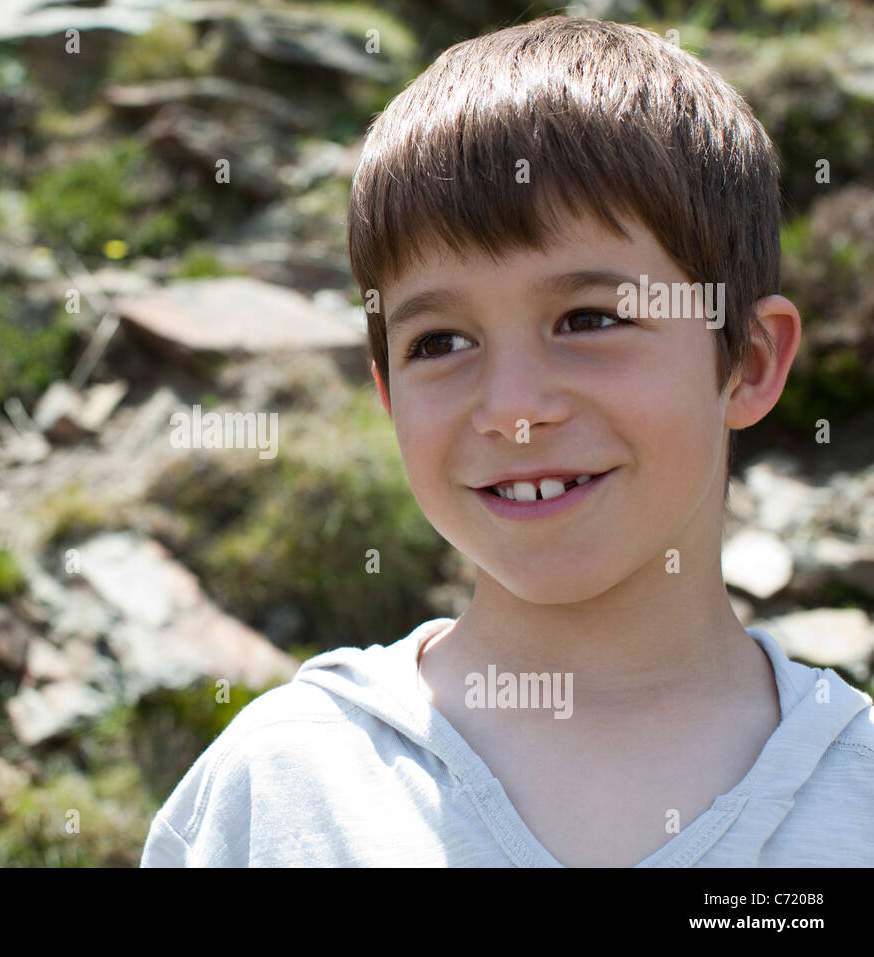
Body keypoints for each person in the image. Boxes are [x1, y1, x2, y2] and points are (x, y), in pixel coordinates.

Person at [140, 14, 874, 867]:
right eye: (440, 342)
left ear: (747, 360)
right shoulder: (281, 785)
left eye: (588, 319)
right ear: (388, 394)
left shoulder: (855, 792)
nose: (512, 409)